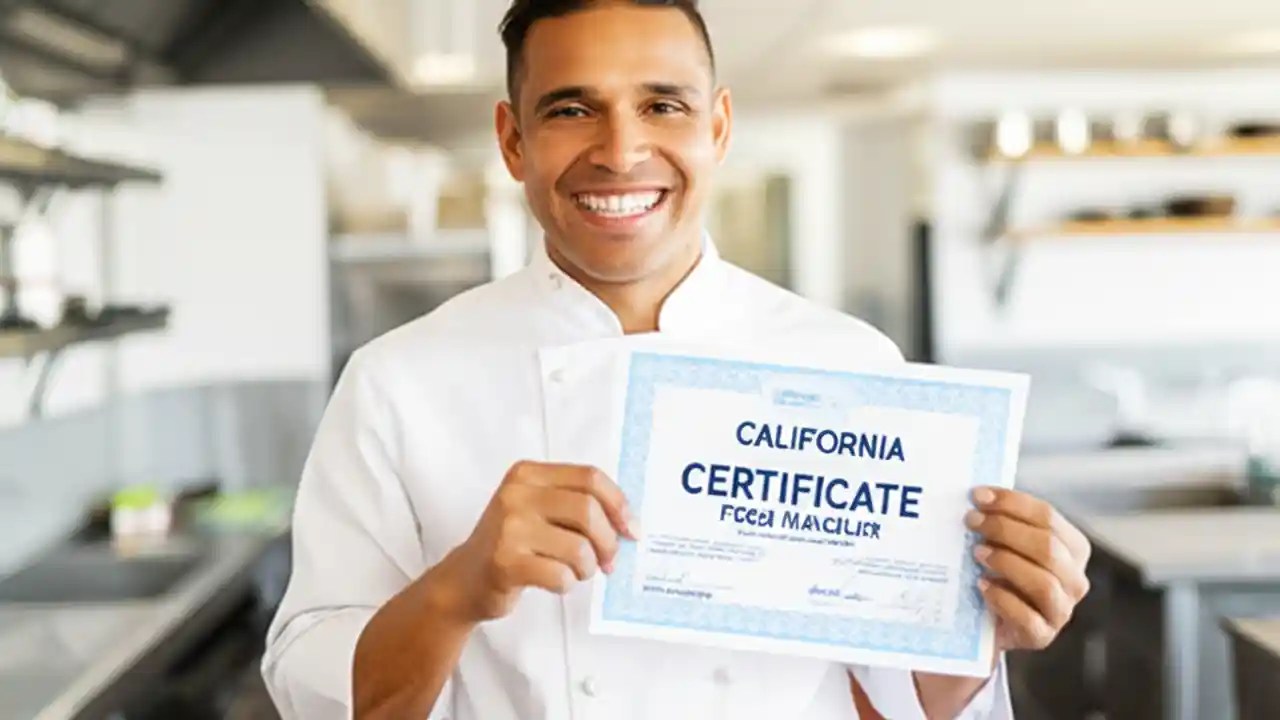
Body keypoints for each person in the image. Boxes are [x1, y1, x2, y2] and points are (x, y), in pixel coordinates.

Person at [262, 1, 1092, 718]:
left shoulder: (848, 362)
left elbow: (903, 700)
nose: (621, 152)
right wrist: (457, 590)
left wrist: (988, 623)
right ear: (513, 141)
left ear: (718, 127)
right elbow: (323, 699)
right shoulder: (397, 383)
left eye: (662, 106)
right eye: (570, 110)